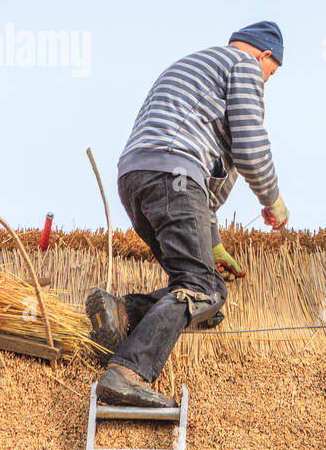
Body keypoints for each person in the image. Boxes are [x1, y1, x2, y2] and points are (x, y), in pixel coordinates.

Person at [85, 21, 290, 407]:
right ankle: (127, 373)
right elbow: (250, 143)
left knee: (205, 304)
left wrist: (213, 245)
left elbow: (209, 179)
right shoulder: (243, 66)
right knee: (204, 288)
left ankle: (121, 312)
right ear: (264, 55)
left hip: (136, 178)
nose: (267, 81)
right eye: (272, 72)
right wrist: (272, 199)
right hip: (174, 175)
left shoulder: (196, 68)